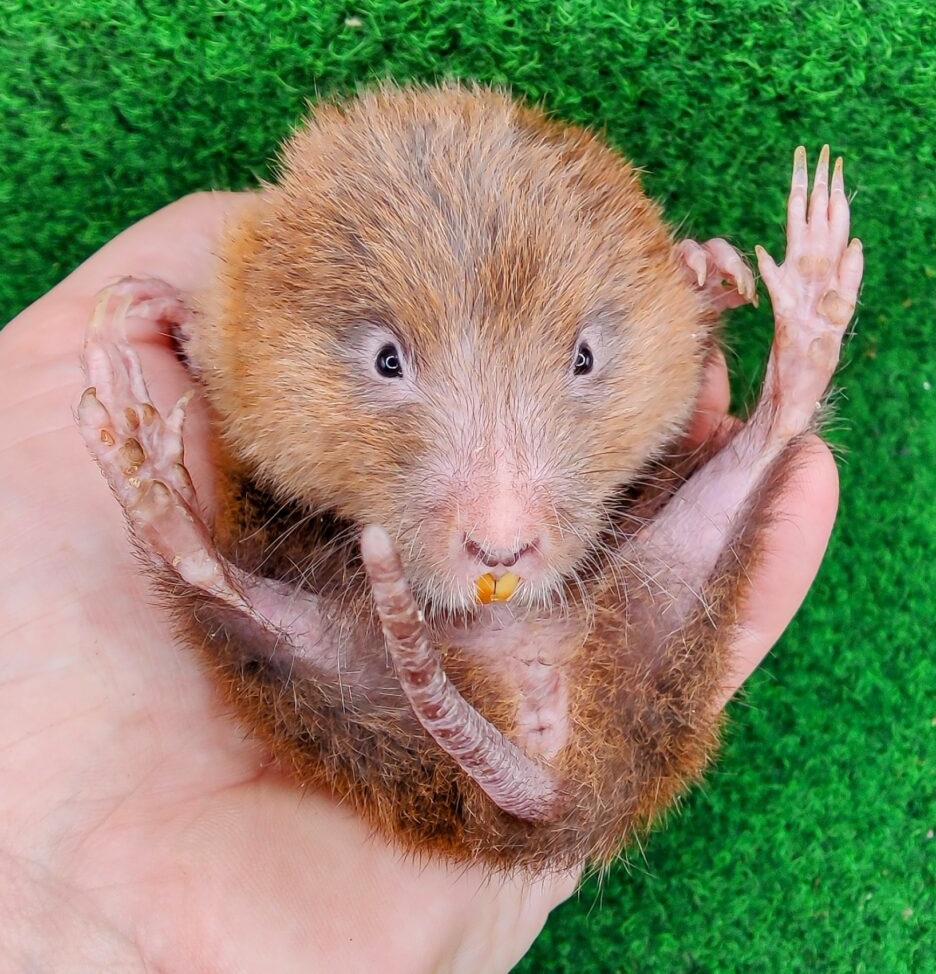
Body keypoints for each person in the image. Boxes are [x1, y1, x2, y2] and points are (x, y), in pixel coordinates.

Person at [0, 192, 840, 970]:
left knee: (290, 612)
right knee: (310, 637)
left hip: (572, 700)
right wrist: (215, 327)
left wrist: (677, 308)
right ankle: (781, 408)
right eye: (389, 362)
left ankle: (195, 558)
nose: (503, 537)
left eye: (581, 357)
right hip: (458, 707)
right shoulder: (282, 296)